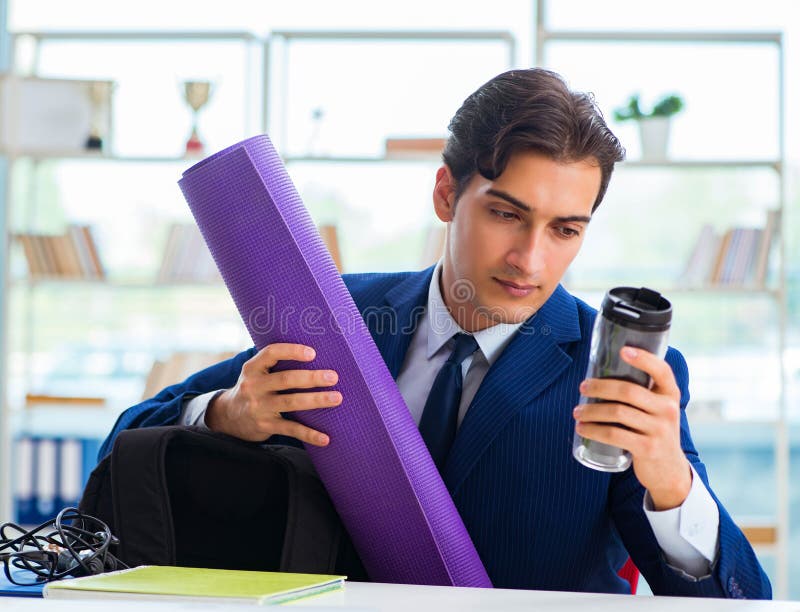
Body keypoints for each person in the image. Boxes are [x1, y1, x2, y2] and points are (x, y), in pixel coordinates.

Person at [99, 68, 770, 598]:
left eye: (566, 230)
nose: (530, 260)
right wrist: (225, 414)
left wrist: (671, 482)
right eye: (507, 214)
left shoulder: (618, 369)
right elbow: (126, 440)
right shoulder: (334, 311)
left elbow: (735, 599)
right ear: (447, 193)